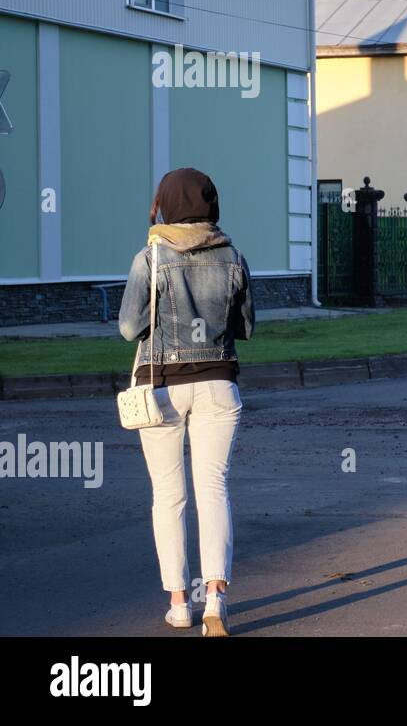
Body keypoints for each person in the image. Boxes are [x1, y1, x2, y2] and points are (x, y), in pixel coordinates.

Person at [119, 168, 255, 636]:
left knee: (168, 496)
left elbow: (128, 329)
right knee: (213, 490)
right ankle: (215, 600)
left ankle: (180, 604)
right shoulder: (233, 255)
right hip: (219, 383)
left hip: (160, 386)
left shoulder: (150, 257)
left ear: (166, 204)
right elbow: (247, 327)